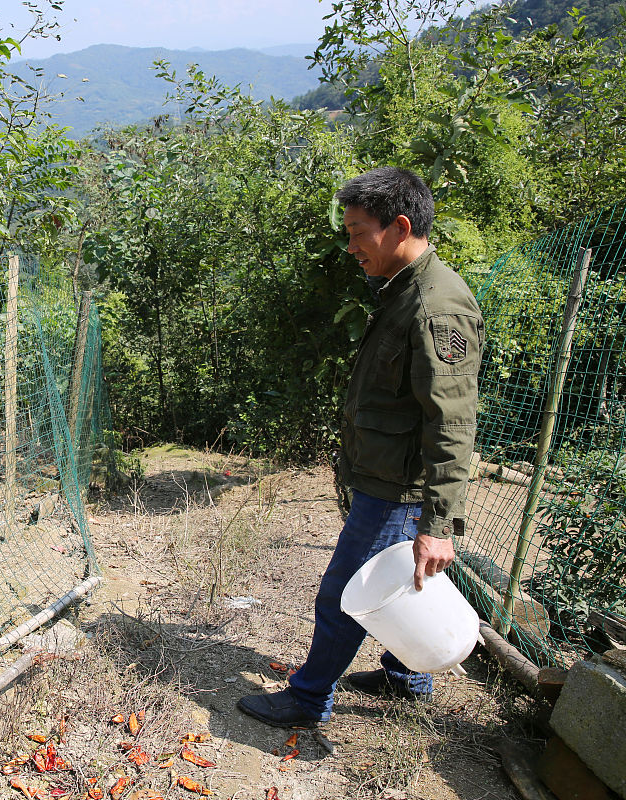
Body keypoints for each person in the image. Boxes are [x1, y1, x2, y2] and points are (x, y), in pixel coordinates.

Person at [237, 166, 484, 728]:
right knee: (407, 581)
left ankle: (308, 698)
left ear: (400, 227)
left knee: (344, 593)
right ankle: (406, 676)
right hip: (385, 475)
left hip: (398, 488)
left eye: (357, 232)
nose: (350, 247)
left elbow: (451, 423)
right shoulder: (405, 290)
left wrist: (438, 525)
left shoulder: (436, 307)